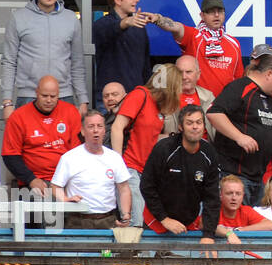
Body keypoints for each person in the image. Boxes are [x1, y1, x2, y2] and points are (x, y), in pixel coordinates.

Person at [205, 52, 272, 204]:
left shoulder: (269, 98)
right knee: (236, 225)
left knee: (254, 225)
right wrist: (239, 137)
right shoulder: (240, 87)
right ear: (269, 74)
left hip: (258, 177)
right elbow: (214, 113)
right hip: (233, 175)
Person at [1, 0, 89, 120]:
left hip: (63, 95)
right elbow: (9, 61)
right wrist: (7, 102)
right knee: (27, 143)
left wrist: (83, 99)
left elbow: (77, 62)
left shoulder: (70, 18)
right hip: (29, 95)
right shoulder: (18, 17)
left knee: (66, 143)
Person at [112, 63, 182, 227]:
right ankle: (129, 253)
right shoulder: (140, 95)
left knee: (145, 221)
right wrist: (118, 166)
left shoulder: (158, 106)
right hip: (129, 166)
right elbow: (117, 127)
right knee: (134, 221)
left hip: (146, 171)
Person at [139, 104, 219, 243]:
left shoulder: (209, 153)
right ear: (180, 127)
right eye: (190, 123)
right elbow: (147, 186)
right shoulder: (164, 148)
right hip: (156, 222)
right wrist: (164, 219)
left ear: (204, 126)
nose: (195, 127)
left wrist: (208, 234)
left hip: (187, 224)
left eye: (199, 122)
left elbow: (212, 198)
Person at [50, 110, 131, 230]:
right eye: (91, 126)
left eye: (100, 126)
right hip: (77, 222)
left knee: (107, 250)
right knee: (78, 250)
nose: (95, 130)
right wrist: (65, 199)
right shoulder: (69, 158)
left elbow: (124, 189)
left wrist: (126, 214)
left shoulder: (114, 158)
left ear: (104, 130)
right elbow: (55, 186)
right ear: (83, 131)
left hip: (108, 222)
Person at [1, 77, 82, 195]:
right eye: (44, 96)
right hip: (32, 182)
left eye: (53, 96)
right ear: (36, 93)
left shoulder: (70, 112)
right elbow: (10, 155)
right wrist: (31, 179)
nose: (49, 100)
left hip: (65, 180)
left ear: (58, 95)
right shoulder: (19, 116)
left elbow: (78, 151)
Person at [150, 0, 243, 96]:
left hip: (224, 107)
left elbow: (239, 79)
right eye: (211, 12)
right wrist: (158, 19)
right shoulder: (193, 35)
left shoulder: (234, 43)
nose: (216, 15)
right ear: (202, 15)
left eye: (220, 11)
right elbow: (176, 27)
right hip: (197, 104)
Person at [91, 0, 151, 107]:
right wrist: (125, 23)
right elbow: (110, 29)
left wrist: (147, 92)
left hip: (136, 96)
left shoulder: (139, 26)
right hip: (110, 99)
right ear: (118, 0)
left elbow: (145, 65)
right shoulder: (101, 24)